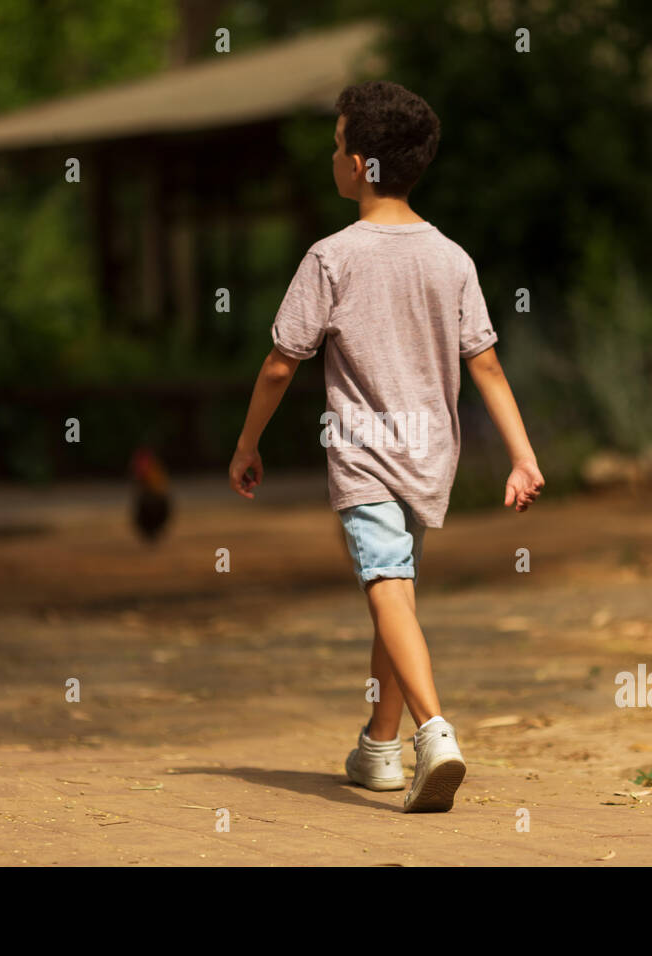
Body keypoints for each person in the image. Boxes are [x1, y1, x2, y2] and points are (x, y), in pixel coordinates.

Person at [229, 80, 543, 812]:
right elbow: (487, 364)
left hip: (366, 451)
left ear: (362, 164)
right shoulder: (452, 258)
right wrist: (524, 455)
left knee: (387, 587)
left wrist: (247, 444)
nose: (330, 154)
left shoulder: (331, 258)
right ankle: (379, 747)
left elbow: (281, 363)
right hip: (431, 455)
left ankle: (435, 732)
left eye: (337, 143)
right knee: (393, 589)